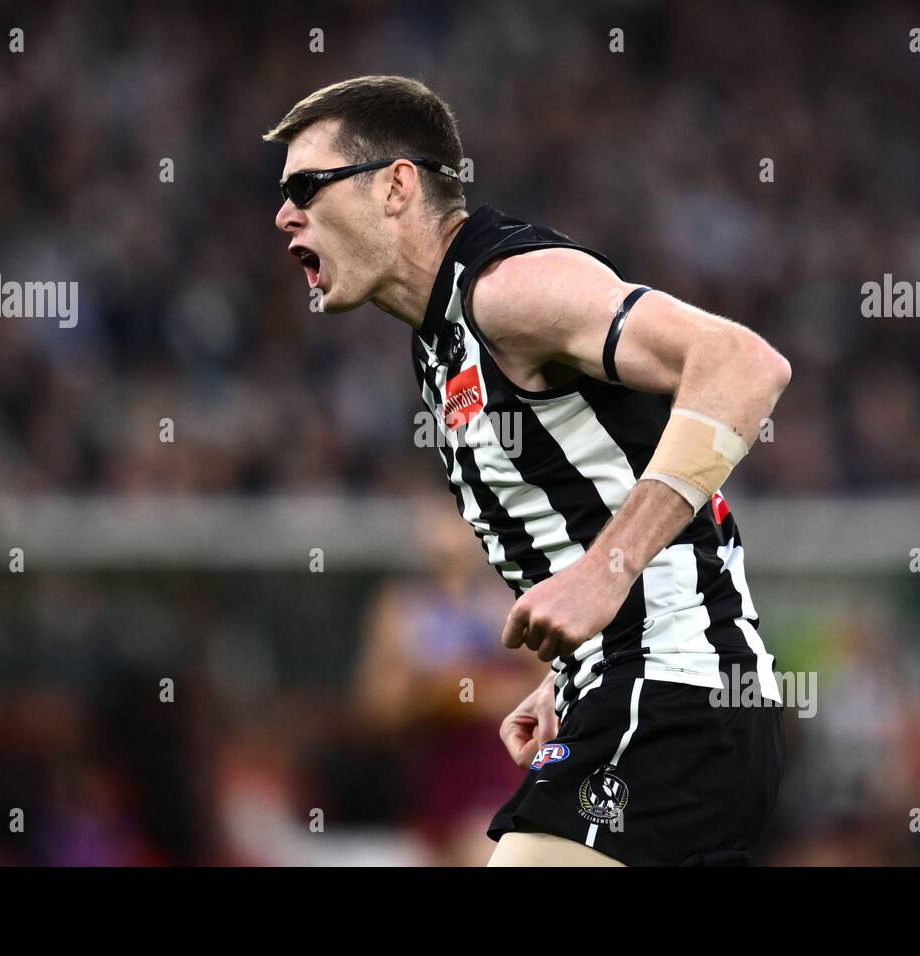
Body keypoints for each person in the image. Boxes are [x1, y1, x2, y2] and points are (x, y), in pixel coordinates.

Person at [266, 75, 791, 866]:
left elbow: (745, 366)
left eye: (307, 186)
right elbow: (615, 482)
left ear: (396, 187)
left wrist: (606, 575)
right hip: (633, 697)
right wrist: (568, 675)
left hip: (670, 698)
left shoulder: (507, 288)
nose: (284, 215)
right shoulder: (438, 341)